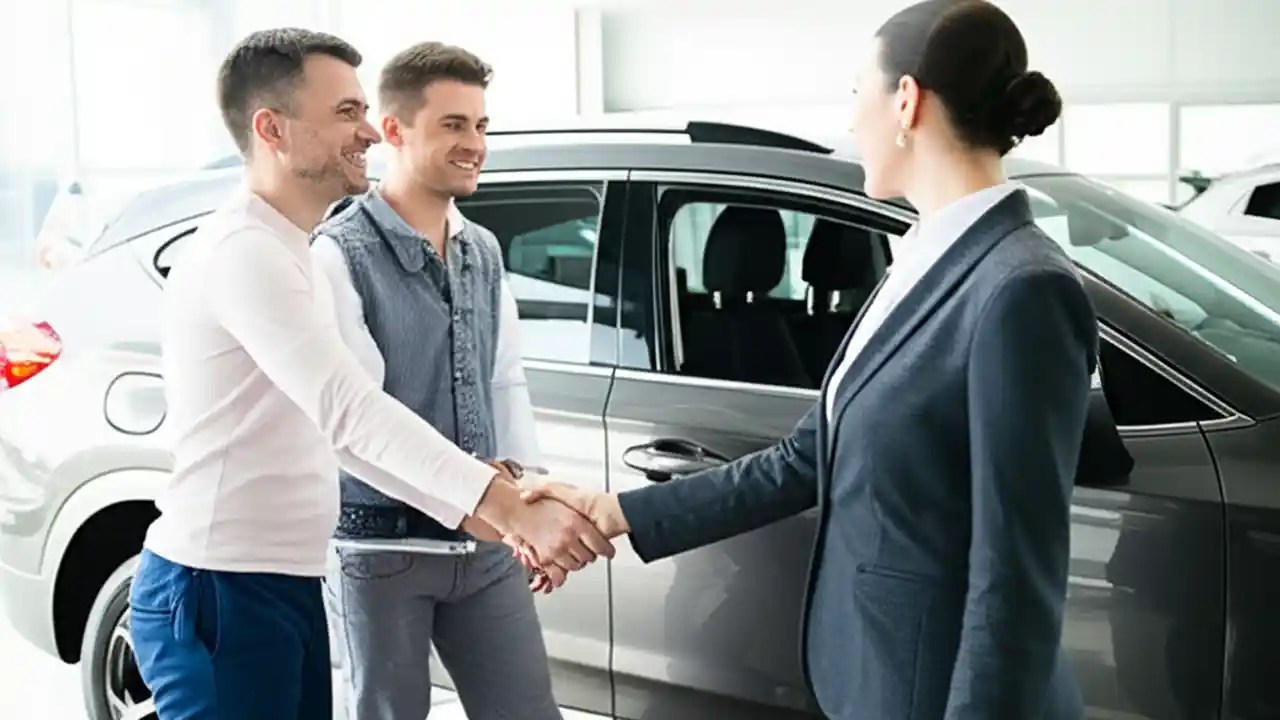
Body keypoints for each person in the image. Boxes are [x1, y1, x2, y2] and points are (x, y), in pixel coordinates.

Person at [520, 1, 1094, 718]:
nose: (855, 117)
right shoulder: (921, 258)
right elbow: (806, 459)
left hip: (936, 692)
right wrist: (614, 510)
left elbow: (1017, 575)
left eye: (860, 91)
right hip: (875, 674)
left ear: (907, 102)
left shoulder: (1021, 288)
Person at [129, 28, 611, 720]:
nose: (368, 134)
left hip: (282, 583)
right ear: (273, 128)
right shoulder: (245, 252)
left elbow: (352, 440)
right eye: (346, 114)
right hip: (219, 587)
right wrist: (507, 510)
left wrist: (496, 510)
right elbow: (351, 409)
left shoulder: (291, 248)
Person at [311, 42, 563, 719]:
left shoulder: (483, 248)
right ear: (393, 131)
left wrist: (527, 502)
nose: (474, 144)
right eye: (454, 125)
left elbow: (505, 381)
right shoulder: (338, 255)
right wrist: (497, 507)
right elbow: (354, 422)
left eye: (481, 126)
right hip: (381, 551)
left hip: (485, 550)